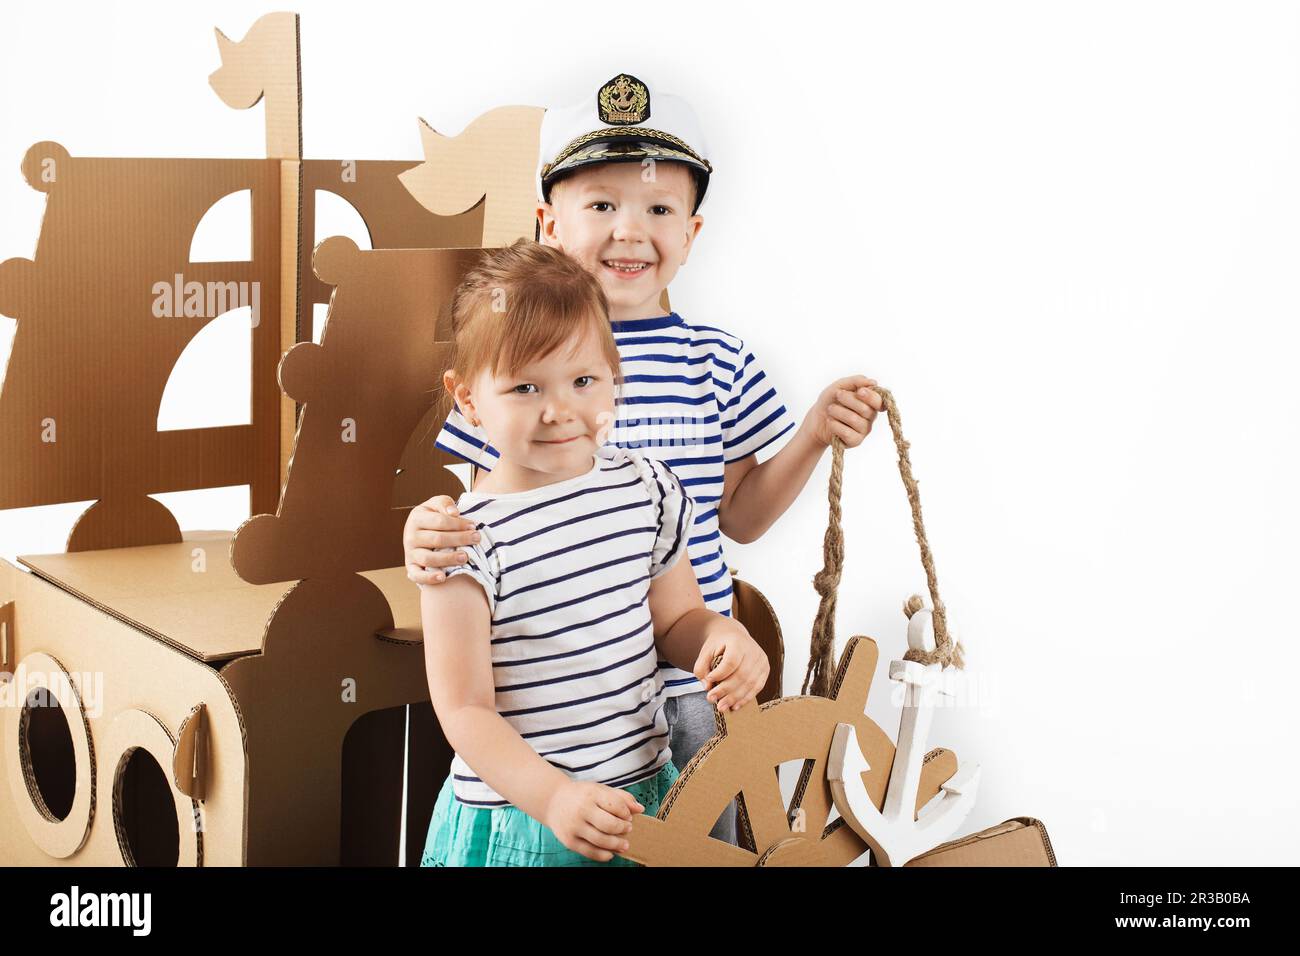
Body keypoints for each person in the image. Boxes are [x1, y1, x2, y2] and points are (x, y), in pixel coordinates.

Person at [408, 72, 883, 846]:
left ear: (691, 233)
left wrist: (811, 435)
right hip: (550, 686)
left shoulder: (716, 361)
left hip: (691, 671)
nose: (630, 231)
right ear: (548, 223)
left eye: (659, 208)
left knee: (702, 840)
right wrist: (423, 536)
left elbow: (742, 515)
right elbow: (479, 518)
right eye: (601, 204)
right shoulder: (504, 349)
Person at [419, 238, 769, 866]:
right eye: (525, 388)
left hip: (643, 801)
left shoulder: (647, 489)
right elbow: (465, 709)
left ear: (615, 377)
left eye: (583, 380)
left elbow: (676, 622)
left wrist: (722, 639)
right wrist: (553, 797)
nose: (559, 411)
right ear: (468, 398)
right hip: (524, 819)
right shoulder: (462, 541)